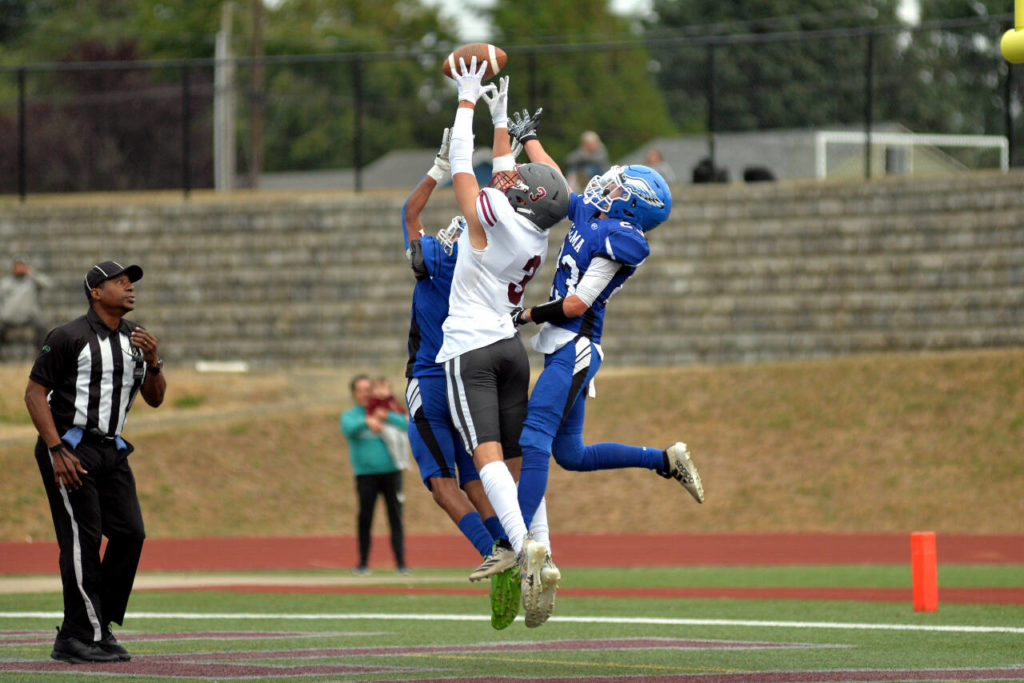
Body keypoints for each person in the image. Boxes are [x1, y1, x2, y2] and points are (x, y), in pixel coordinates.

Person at [505, 111, 706, 624]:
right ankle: (664, 459)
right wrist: (529, 140)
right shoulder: (593, 215)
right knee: (568, 454)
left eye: (622, 184)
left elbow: (575, 306)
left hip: (573, 345)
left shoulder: (619, 243)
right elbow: (550, 184)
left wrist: (525, 314)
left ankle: (522, 548)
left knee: (532, 443)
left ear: (632, 203)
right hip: (563, 348)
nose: (610, 181)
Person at [439, 58, 569, 627]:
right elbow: (505, 174)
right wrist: (500, 120)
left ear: (524, 198)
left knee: (485, 455)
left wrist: (467, 98)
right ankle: (545, 548)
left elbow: (467, 172)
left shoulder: (495, 214)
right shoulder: (536, 233)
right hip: (512, 350)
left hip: (470, 347)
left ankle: (525, 553)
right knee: (517, 464)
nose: (511, 180)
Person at [400, 127, 520, 629]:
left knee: (438, 481)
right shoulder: (487, 269)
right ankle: (512, 545)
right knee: (474, 479)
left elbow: (409, 215)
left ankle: (494, 549)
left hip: (429, 377)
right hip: (467, 378)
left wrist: (439, 168)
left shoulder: (435, 260)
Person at [24, 260, 166, 664]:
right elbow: (34, 395)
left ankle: (90, 627)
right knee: (82, 539)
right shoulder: (68, 335)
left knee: (130, 533)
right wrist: (56, 450)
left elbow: (155, 398)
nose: (129, 287)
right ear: (95, 292)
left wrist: (154, 360)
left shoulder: (135, 340)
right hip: (70, 446)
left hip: (112, 450)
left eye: (131, 282)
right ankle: (81, 635)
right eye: (119, 282)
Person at [340, 374, 409, 575]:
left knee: (395, 516)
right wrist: (367, 422)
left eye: (368, 390)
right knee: (365, 518)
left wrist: (386, 416)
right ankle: (363, 563)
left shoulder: (387, 410)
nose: (364, 394)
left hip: (391, 473)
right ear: (353, 394)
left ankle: (401, 563)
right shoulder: (351, 415)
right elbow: (348, 429)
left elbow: (406, 424)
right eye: (360, 390)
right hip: (365, 475)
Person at [0, 257, 52, 352]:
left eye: (22, 266)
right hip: (8, 317)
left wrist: (32, 274)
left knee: (42, 328)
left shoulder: (32, 281)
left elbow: (48, 284)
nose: (20, 268)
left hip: (29, 316)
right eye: (18, 266)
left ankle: (42, 355)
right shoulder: (5, 283)